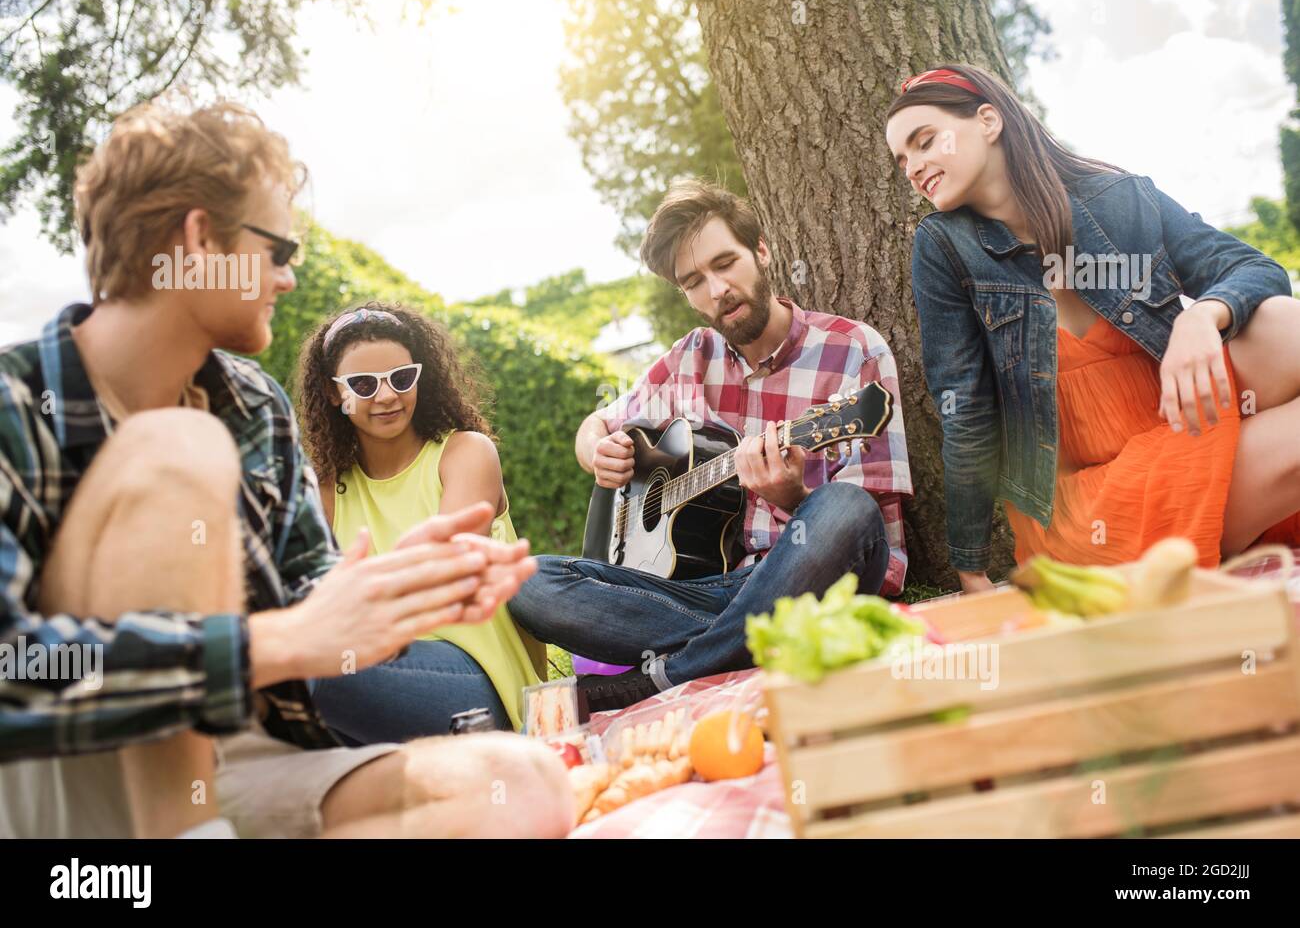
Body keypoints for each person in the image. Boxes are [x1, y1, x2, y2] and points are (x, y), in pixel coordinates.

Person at [0, 98, 572, 838]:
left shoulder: (253, 405)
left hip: (239, 762)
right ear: (200, 239)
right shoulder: (18, 403)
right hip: (77, 795)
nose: (290, 279)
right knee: (176, 447)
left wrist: (387, 595)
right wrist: (270, 645)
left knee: (523, 785)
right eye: (278, 252)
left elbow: (311, 599)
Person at [884, 64, 1300, 595]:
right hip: (1092, 497)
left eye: (924, 142)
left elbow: (1256, 270)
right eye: (903, 159)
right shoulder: (944, 247)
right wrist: (969, 567)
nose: (913, 168)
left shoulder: (1121, 199)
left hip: (1186, 424)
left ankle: (1228, 515)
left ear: (988, 121)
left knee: (1285, 322)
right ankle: (1212, 521)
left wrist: (1204, 314)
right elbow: (963, 406)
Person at [508, 179, 912, 712]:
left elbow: (874, 535)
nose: (717, 289)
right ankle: (740, 648)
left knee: (843, 507)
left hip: (812, 575)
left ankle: (666, 675)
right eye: (695, 281)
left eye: (726, 263)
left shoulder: (852, 349)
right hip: (714, 591)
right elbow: (600, 421)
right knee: (528, 582)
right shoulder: (689, 357)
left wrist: (795, 501)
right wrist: (595, 450)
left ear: (760, 251)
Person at [299, 302, 545, 742]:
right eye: (363, 384)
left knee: (307, 665)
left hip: (481, 684)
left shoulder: (465, 453)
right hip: (378, 670)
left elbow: (443, 576)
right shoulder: (324, 490)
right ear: (334, 393)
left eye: (401, 378)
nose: (387, 396)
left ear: (420, 376)